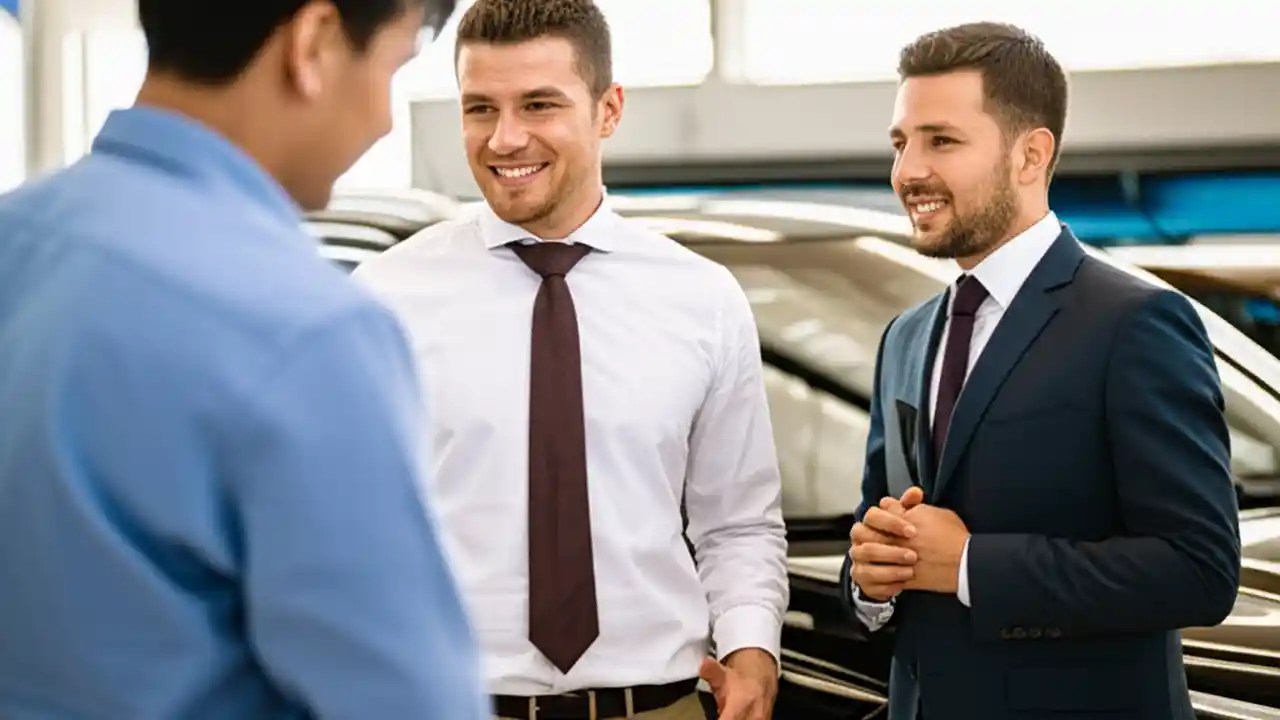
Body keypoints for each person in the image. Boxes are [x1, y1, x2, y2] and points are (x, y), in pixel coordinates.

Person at [0, 1, 489, 718]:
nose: (386, 120)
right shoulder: (310, 330)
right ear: (313, 43)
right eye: (395, 66)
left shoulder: (16, 239)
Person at [353, 1, 788, 718]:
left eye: (538, 104)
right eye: (480, 108)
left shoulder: (703, 299)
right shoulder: (383, 299)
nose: (504, 138)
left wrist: (751, 652)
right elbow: (345, 527)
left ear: (608, 109)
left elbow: (738, 523)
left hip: (659, 706)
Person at [839, 21, 1241, 720]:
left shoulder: (1135, 323)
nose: (908, 172)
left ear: (1031, 154)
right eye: (901, 143)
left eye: (942, 141)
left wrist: (971, 565)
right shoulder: (905, 338)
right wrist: (870, 580)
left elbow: (1199, 570)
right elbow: (879, 531)